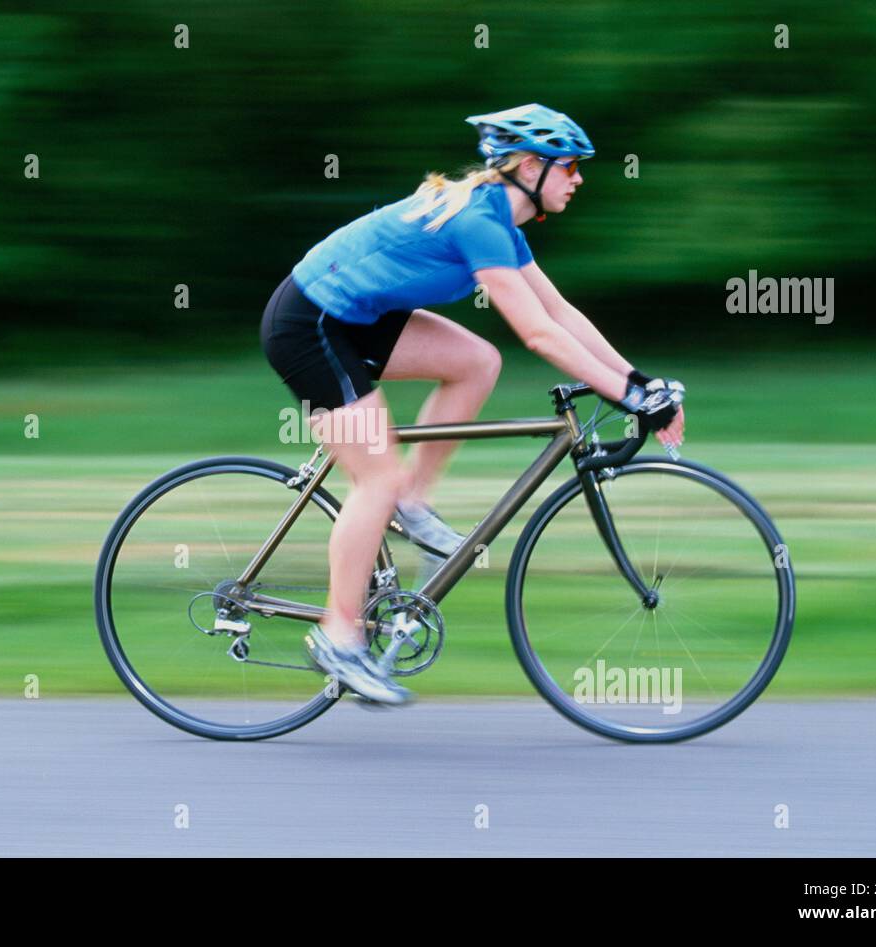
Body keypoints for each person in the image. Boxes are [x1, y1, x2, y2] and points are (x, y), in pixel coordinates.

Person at [259, 103, 685, 705]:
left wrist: (637, 380)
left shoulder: (500, 223)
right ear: (532, 167)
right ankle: (339, 635)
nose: (579, 178)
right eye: (570, 167)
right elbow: (537, 334)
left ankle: (412, 502)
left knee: (477, 362)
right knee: (374, 479)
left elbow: (559, 313)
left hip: (360, 320)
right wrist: (628, 397)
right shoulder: (480, 223)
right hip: (312, 323)